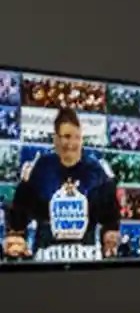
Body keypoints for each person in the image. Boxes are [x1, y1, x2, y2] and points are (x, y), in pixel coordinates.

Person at [4, 108, 121, 261]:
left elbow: (110, 219)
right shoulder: (39, 168)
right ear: (56, 139)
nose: (71, 143)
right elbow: (19, 218)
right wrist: (16, 240)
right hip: (46, 263)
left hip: (87, 263)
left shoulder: (97, 171)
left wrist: (110, 238)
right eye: (66, 137)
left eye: (77, 137)